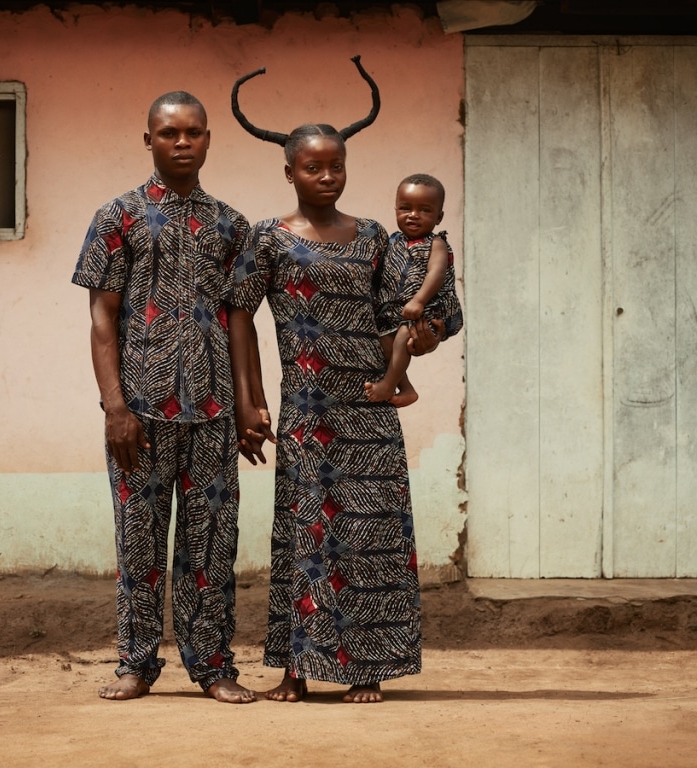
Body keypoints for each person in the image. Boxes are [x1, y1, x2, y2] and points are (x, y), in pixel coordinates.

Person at [227, 58, 422, 704]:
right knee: (307, 534)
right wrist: (250, 402)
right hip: (307, 411)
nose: (328, 176)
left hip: (369, 410)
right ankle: (296, 670)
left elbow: (394, 317)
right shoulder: (269, 239)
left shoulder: (374, 237)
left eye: (337, 166)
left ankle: (367, 669)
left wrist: (408, 354)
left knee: (369, 536)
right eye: (314, 167)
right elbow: (239, 317)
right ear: (290, 172)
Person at [71, 91, 256, 704]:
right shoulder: (117, 217)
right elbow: (102, 319)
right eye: (169, 132)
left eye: (193, 132)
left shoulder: (232, 225)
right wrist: (114, 408)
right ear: (147, 139)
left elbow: (239, 321)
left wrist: (248, 405)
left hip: (213, 412)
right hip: (140, 413)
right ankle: (135, 663)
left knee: (212, 542)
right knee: (138, 540)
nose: (182, 142)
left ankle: (213, 665)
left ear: (208, 140)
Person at [366, 173, 463, 406]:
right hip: (398, 311)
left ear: (439, 217)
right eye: (405, 208)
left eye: (425, 210)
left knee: (403, 335)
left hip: (430, 307)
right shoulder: (393, 241)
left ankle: (388, 384)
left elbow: (436, 273)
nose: (413, 215)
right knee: (384, 339)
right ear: (395, 209)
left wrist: (419, 300)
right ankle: (406, 388)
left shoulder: (436, 244)